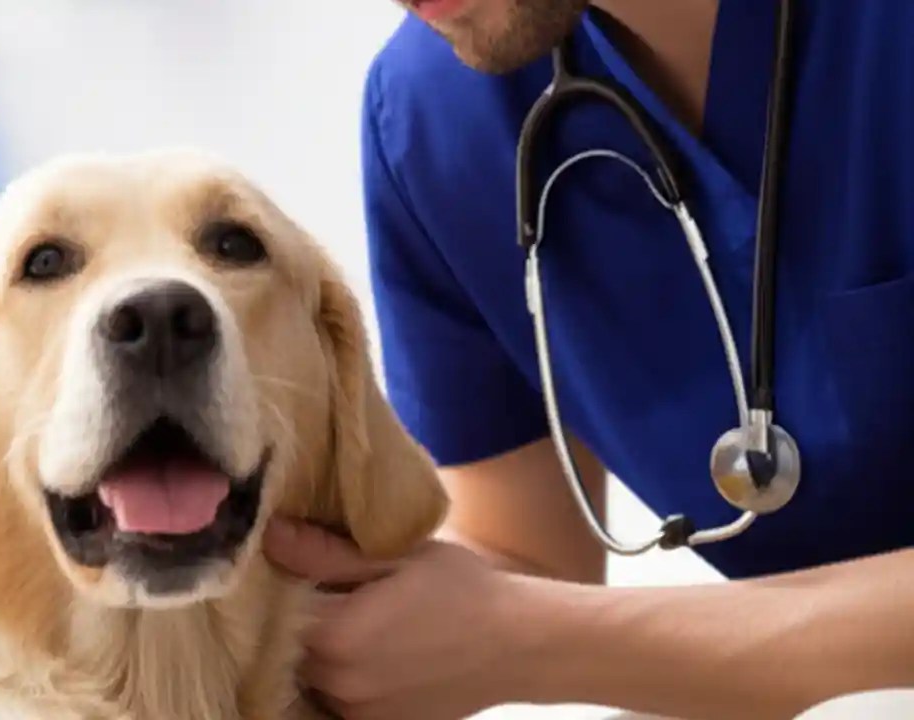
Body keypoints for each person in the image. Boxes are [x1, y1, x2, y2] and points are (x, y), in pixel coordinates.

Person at [259, 0, 914, 718]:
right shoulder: (437, 114)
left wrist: (531, 638)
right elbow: (525, 558)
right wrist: (302, 600)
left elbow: (532, 623)